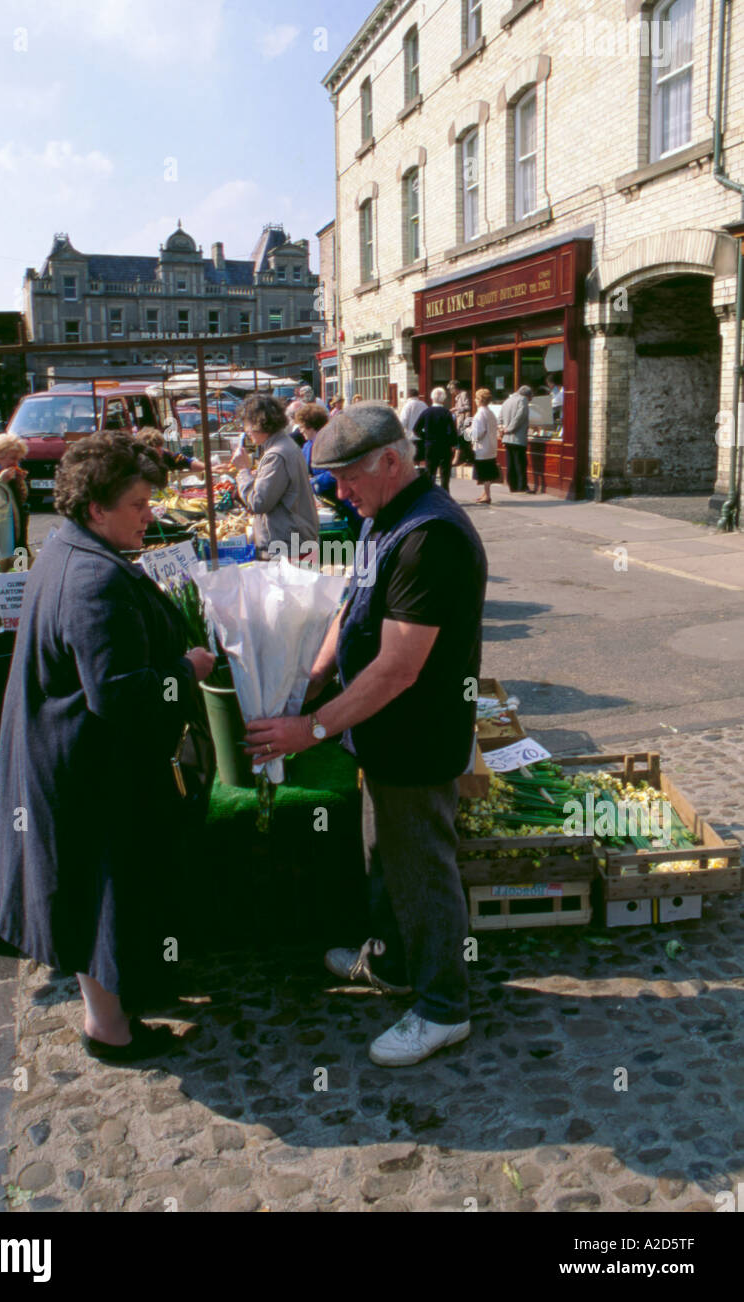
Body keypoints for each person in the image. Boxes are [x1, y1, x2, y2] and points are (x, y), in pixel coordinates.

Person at [245, 405, 487, 1067]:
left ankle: (443, 1007)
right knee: (384, 853)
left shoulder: (431, 536)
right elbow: (351, 607)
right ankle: (392, 959)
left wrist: (311, 726)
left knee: (422, 868)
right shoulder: (382, 517)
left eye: (347, 478)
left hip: (417, 734)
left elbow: (399, 667)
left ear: (390, 459)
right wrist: (314, 677)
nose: (338, 493)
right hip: (379, 735)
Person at [0, 432, 215, 1062]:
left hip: (70, 752)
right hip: (83, 766)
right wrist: (187, 668)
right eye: (139, 504)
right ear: (97, 509)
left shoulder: (73, 548)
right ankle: (110, 1031)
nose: (149, 514)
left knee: (97, 889)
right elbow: (119, 694)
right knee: (98, 890)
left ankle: (121, 1000)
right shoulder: (94, 577)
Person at [230, 393, 318, 560]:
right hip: (294, 542)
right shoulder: (284, 446)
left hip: (286, 546)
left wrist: (243, 470)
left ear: (259, 423)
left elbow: (258, 502)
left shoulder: (276, 454)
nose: (246, 431)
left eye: (247, 425)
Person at [294, 404, 362, 535]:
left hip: (345, 501)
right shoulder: (308, 445)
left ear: (310, 425)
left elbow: (335, 473)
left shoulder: (331, 443)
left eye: (302, 427)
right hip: (327, 501)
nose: (300, 431)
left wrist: (313, 482)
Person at [414, 386, 457, 492]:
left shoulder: (426, 412)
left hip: (430, 445)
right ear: (443, 399)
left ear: (431, 398)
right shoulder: (447, 413)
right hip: (444, 446)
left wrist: (425, 437)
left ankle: (429, 495)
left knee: (430, 472)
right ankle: (445, 495)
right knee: (444, 474)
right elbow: (452, 431)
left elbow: (416, 429)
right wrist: (453, 444)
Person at [499, 384, 533, 493]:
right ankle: (521, 486)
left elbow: (499, 418)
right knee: (520, 463)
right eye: (530, 398)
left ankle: (512, 486)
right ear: (527, 395)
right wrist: (510, 429)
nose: (529, 400)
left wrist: (502, 429)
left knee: (511, 462)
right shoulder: (522, 400)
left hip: (507, 438)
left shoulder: (507, 401)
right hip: (517, 437)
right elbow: (520, 416)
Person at [468, 388, 500, 505]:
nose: (475, 400)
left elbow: (478, 432)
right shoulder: (490, 413)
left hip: (482, 447)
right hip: (491, 445)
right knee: (489, 470)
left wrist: (469, 434)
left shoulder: (479, 414)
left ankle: (487, 495)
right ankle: (485, 493)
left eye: (476, 398)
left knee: (484, 472)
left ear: (480, 400)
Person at [134, 426, 205, 476]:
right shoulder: (136, 461)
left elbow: (187, 461)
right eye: (156, 449)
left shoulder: (167, 455)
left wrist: (209, 468)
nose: (160, 452)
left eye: (160, 447)